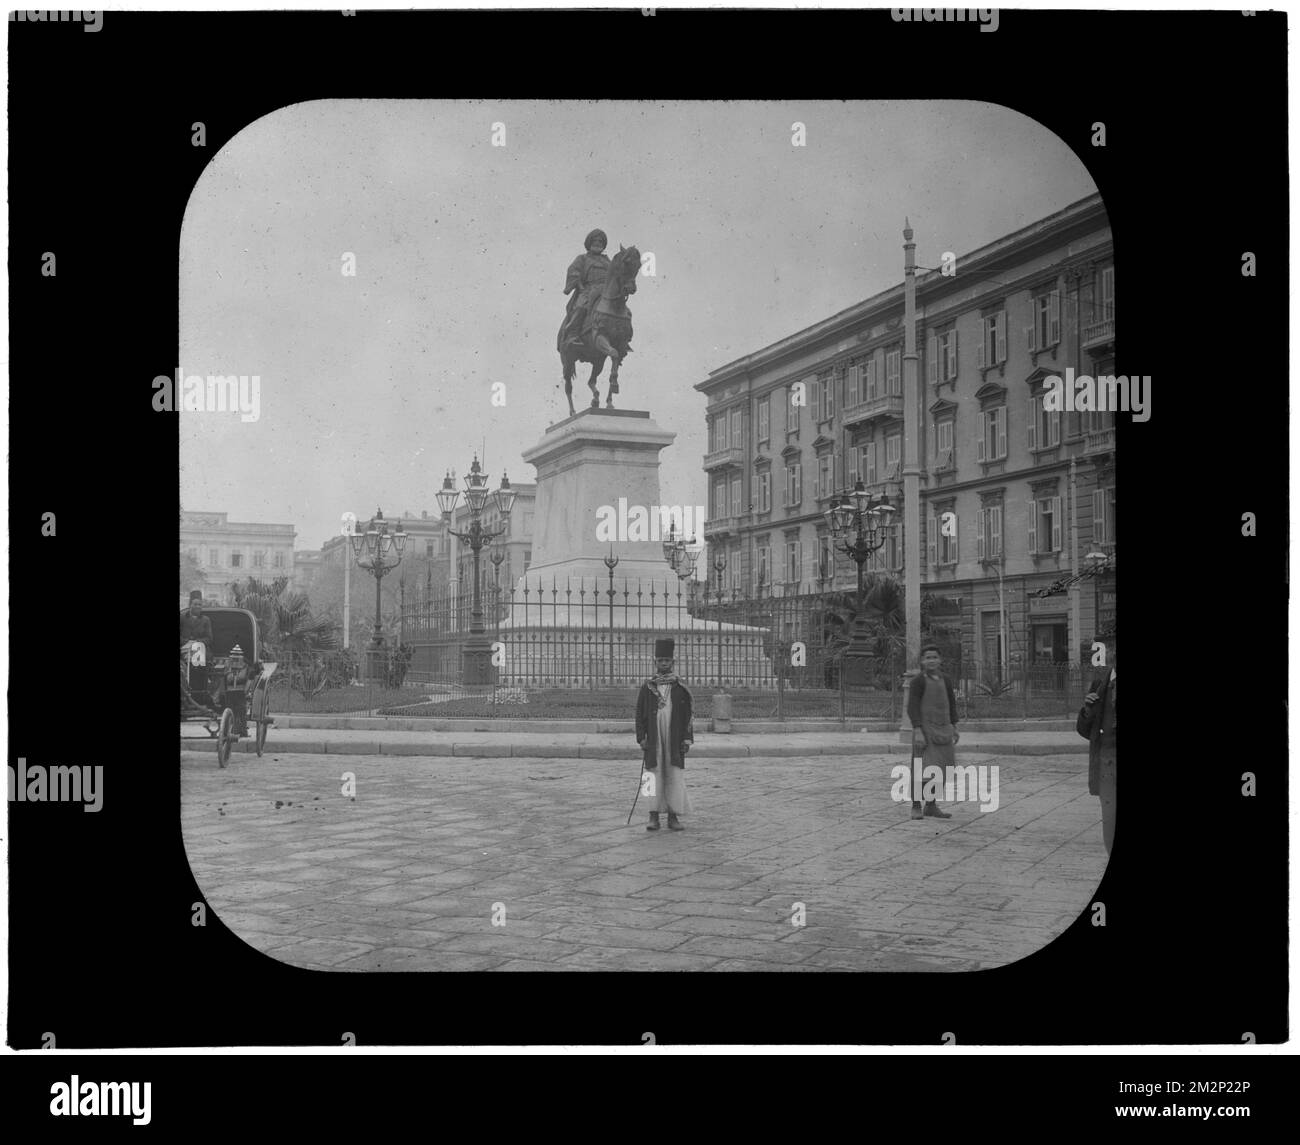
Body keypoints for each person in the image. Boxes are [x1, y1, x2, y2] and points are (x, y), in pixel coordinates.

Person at [635, 637, 694, 831]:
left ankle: (673, 815)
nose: (663, 664)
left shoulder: (680, 688)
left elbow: (688, 716)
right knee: (651, 775)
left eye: (667, 661)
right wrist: (641, 737)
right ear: (655, 662)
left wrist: (687, 738)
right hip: (653, 738)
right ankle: (652, 816)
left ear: (673, 662)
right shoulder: (647, 687)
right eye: (660, 660)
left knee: (673, 773)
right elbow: (639, 714)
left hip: (674, 737)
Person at [907, 643, 960, 820]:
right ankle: (916, 805)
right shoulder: (918, 681)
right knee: (921, 769)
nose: (931, 661)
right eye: (928, 657)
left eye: (934, 657)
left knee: (943, 769)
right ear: (922, 661)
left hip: (944, 731)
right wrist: (917, 730)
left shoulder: (946, 679)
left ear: (940, 660)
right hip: (925, 731)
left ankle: (931, 805)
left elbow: (951, 703)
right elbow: (912, 706)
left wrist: (954, 725)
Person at [1082, 641, 1117, 854]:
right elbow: (1087, 731)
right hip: (1106, 765)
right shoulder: (1099, 685)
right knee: (1110, 820)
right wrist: (1087, 711)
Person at [559, 228, 611, 349]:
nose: (598, 243)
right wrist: (580, 286)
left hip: (606, 292)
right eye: (595, 240)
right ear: (589, 242)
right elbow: (574, 272)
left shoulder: (608, 261)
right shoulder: (582, 258)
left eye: (600, 241)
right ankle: (572, 334)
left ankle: (622, 339)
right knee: (581, 307)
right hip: (588, 290)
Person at [180, 589, 214, 708]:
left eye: (200, 604)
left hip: (200, 648)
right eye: (195, 604)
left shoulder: (205, 620)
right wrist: (186, 642)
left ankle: (197, 692)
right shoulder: (182, 618)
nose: (197, 606)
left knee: (197, 650)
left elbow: (209, 638)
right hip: (184, 647)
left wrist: (197, 642)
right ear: (190, 605)